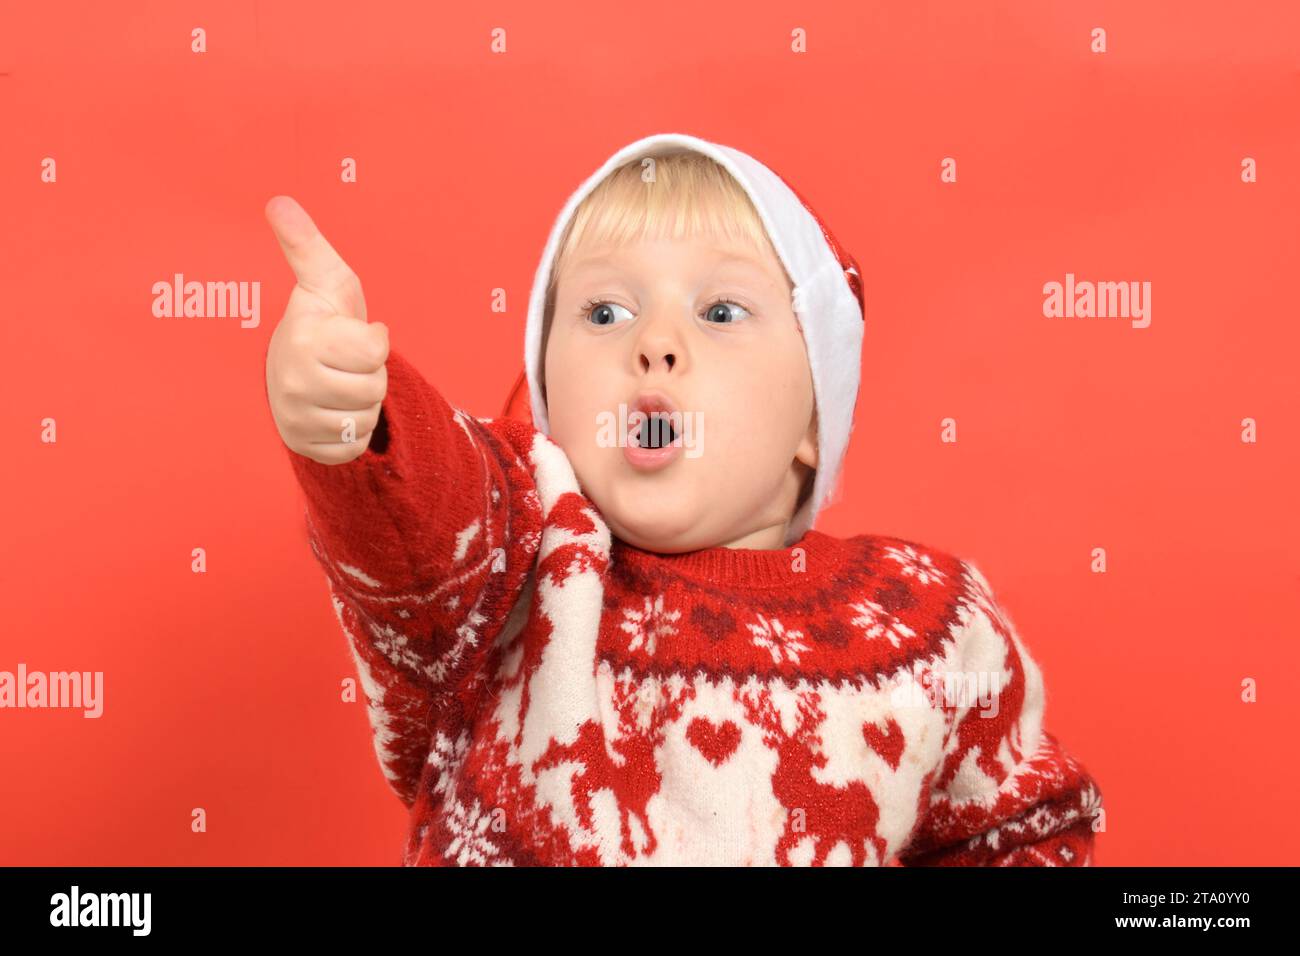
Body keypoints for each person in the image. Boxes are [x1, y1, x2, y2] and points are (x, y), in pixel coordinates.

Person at [264, 132, 1102, 866]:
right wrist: (357, 418)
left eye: (721, 311)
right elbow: (419, 518)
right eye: (603, 311)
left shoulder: (929, 622)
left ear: (815, 416)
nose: (655, 344)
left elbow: (1022, 830)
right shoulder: (519, 556)